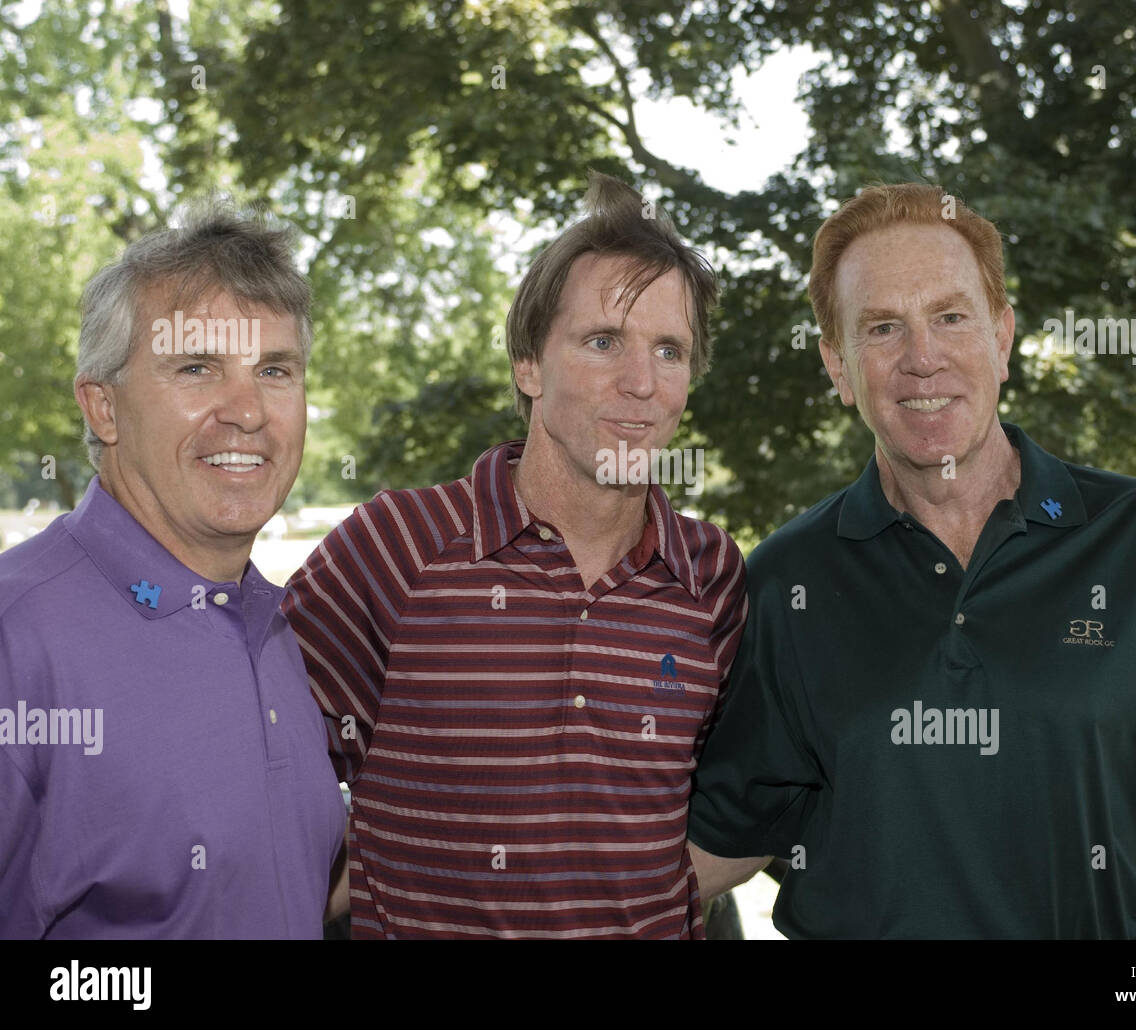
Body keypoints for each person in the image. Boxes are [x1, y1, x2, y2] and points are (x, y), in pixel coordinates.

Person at [686, 183, 1136, 939]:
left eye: (950, 316)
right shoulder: (783, 580)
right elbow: (718, 842)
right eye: (881, 328)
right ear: (838, 368)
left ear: (1002, 339)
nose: (923, 358)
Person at [282, 172, 746, 938]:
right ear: (529, 364)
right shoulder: (394, 549)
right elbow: (256, 769)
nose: (641, 382)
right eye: (603, 342)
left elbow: (735, 809)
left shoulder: (714, 578)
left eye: (670, 350)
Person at [0, 202, 346, 938]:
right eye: (197, 367)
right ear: (102, 406)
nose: (248, 411)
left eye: (274, 370)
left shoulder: (276, 630)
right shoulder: (16, 645)